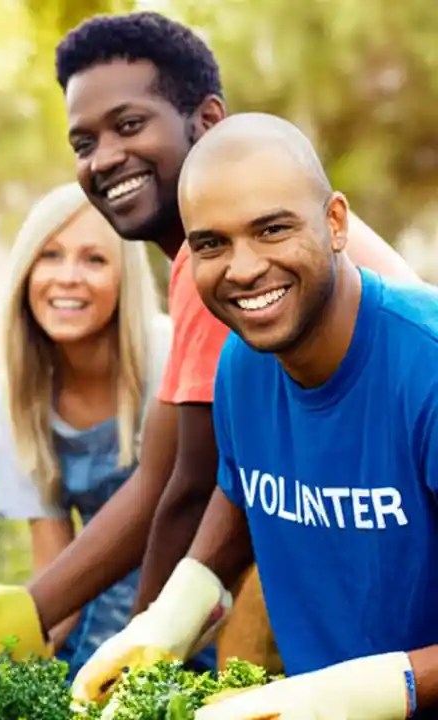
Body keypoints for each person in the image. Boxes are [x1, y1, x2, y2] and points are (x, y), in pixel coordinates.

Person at [0, 9, 418, 674]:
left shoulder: (242, 279)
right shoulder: (210, 280)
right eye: (82, 143)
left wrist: (125, 644)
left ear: (206, 121)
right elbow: (200, 471)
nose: (104, 158)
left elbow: (179, 486)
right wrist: (112, 623)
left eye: (129, 125)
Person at [80, 111, 438, 719]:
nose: (243, 268)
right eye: (211, 244)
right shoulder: (242, 366)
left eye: (272, 229)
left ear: (335, 223)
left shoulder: (425, 369)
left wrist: (373, 692)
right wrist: (172, 618)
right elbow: (247, 490)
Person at [0, 181, 198, 679]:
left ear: (125, 278)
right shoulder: (13, 397)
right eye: (49, 256)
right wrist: (20, 652)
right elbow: (56, 564)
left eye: (94, 260)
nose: (67, 278)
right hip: (94, 610)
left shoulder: (172, 360)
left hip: (193, 604)